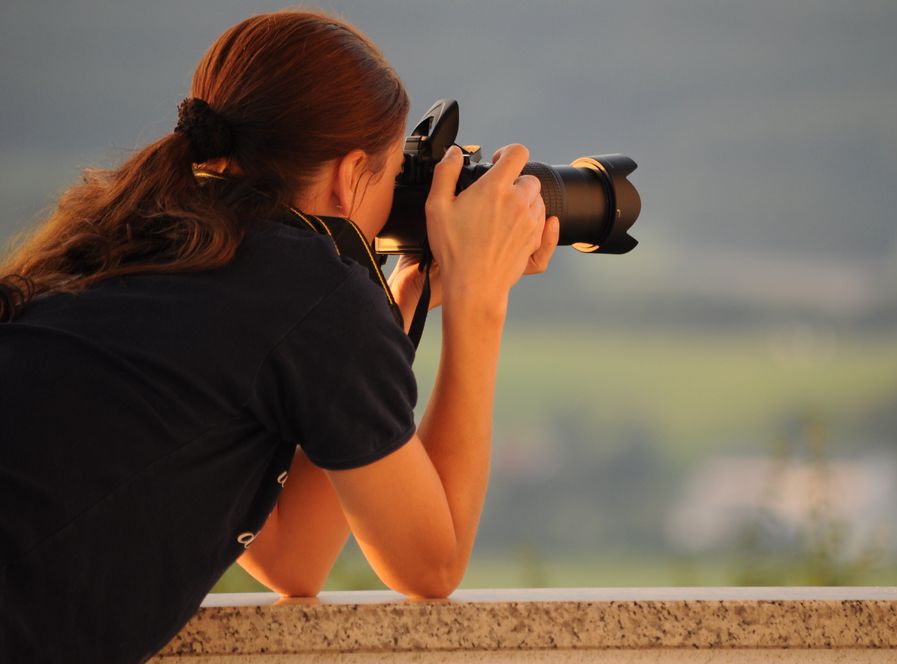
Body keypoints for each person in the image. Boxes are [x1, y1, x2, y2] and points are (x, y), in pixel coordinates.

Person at [0, 9, 559, 663]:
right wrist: (478, 301)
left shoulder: (141, 238)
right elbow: (430, 566)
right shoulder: (308, 291)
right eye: (391, 174)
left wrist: (395, 309)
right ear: (351, 176)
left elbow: (294, 556)